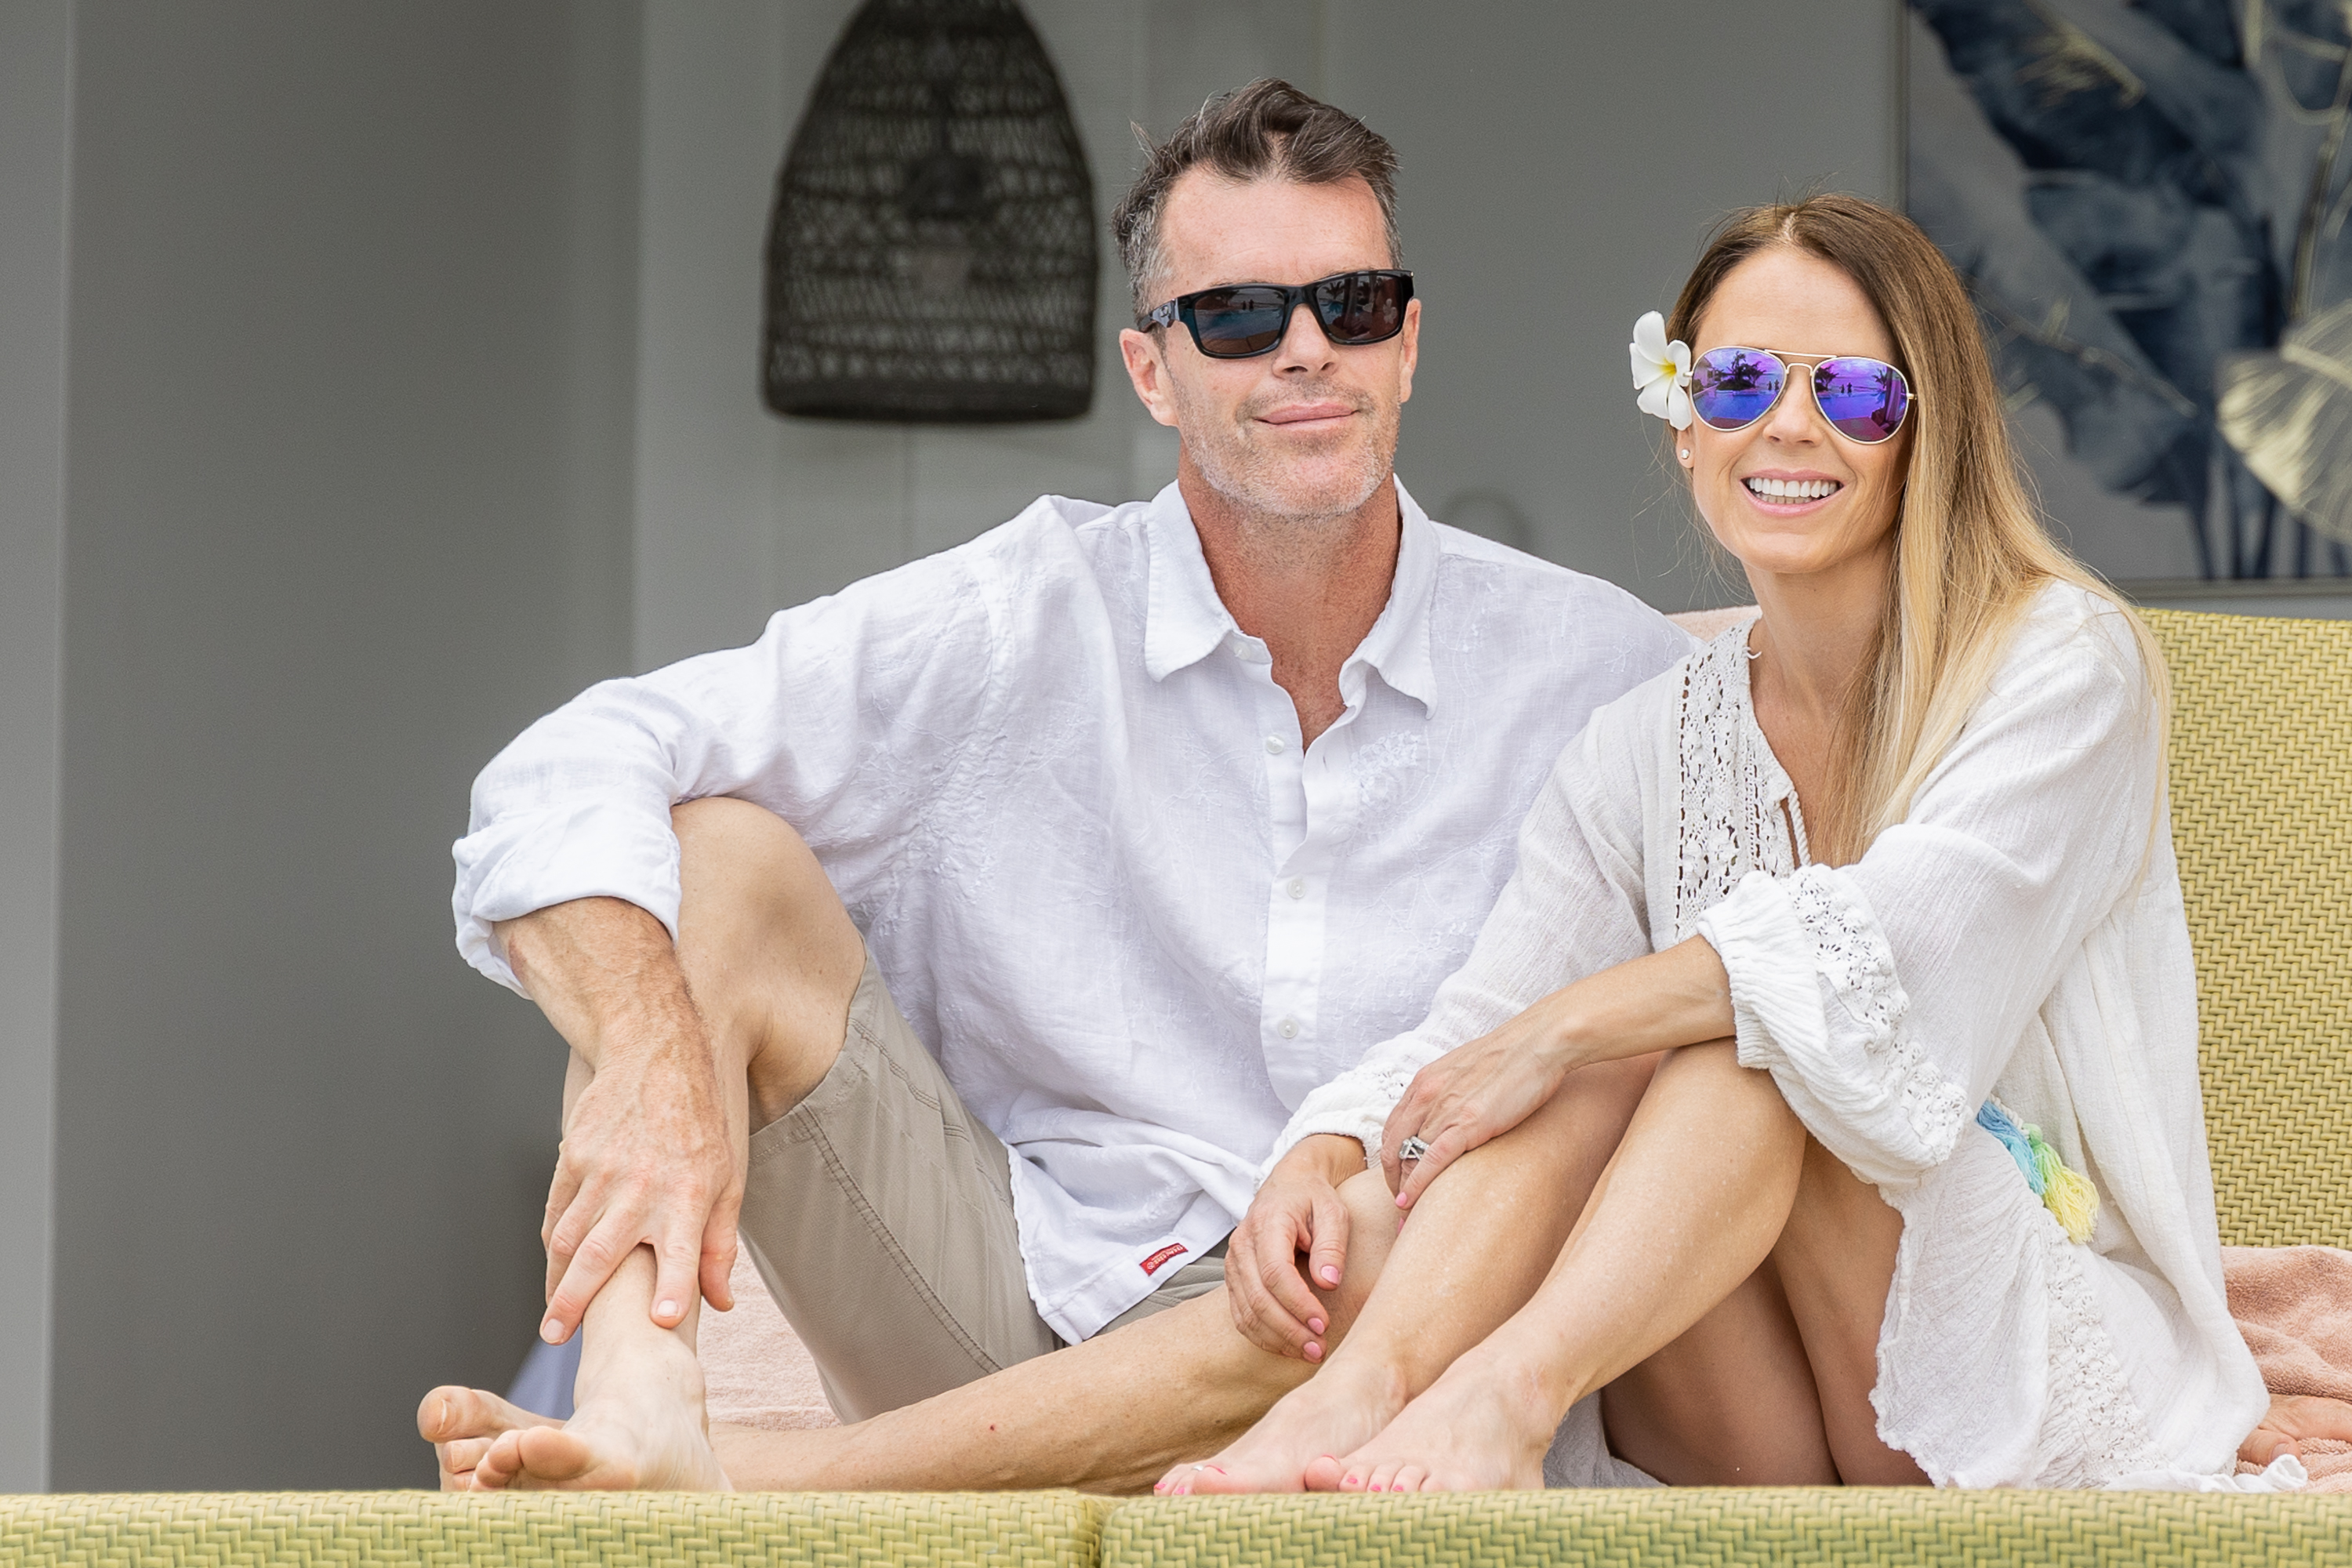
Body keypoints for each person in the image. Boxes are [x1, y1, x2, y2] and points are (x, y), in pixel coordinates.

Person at [418, 79, 1693, 1492]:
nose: (1307, 349)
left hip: (1387, 1350)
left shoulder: (1604, 672)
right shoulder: (1013, 618)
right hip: (1017, 1311)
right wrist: (655, 1051)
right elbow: (567, 765)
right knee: (712, 857)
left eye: (1354, 305)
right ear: (1152, 371)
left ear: (1408, 345)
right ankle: (640, 1405)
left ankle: (768, 1489)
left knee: (1406, 1223)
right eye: (1238, 316)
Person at [1161, 192, 2332, 1495]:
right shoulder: (1644, 742)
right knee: (1589, 1062)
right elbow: (1485, 1022)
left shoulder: (2062, 662)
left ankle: (1499, 1401)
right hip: (1755, 1404)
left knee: (1751, 1029)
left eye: (1856, 393)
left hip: (2006, 1366)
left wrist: (1573, 1027)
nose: (1789, 425)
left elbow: (1876, 960)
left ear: (1926, 430)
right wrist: (1327, 1143)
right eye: (1737, 383)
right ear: (1685, 421)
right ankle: (1359, 1395)